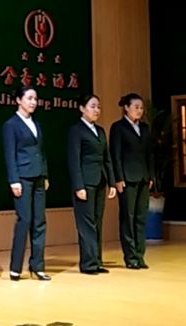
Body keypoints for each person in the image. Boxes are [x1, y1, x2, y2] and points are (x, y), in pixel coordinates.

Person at [2, 85, 51, 281]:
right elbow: (9, 154)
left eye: (35, 99)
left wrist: (45, 175)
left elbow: (42, 152)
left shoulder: (36, 123)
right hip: (22, 177)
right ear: (18, 100)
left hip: (38, 176)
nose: (33, 102)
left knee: (40, 221)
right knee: (24, 220)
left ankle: (37, 266)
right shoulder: (11, 125)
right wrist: (13, 180)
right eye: (29, 98)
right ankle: (16, 267)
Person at [66, 94, 116, 275]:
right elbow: (73, 160)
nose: (97, 110)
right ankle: (88, 263)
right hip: (85, 182)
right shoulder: (76, 130)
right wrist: (78, 186)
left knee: (97, 221)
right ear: (82, 108)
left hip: (100, 180)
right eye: (92, 106)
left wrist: (111, 182)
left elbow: (107, 158)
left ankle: (97, 260)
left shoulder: (100, 131)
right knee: (86, 224)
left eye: (98, 107)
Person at [109, 93, 154, 270]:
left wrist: (151, 176)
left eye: (141, 108)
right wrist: (118, 178)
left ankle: (140, 255)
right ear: (126, 108)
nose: (139, 111)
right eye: (136, 107)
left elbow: (150, 153)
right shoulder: (118, 127)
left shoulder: (145, 128)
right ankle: (130, 256)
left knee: (141, 217)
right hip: (127, 178)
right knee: (127, 217)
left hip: (143, 177)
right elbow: (115, 154)